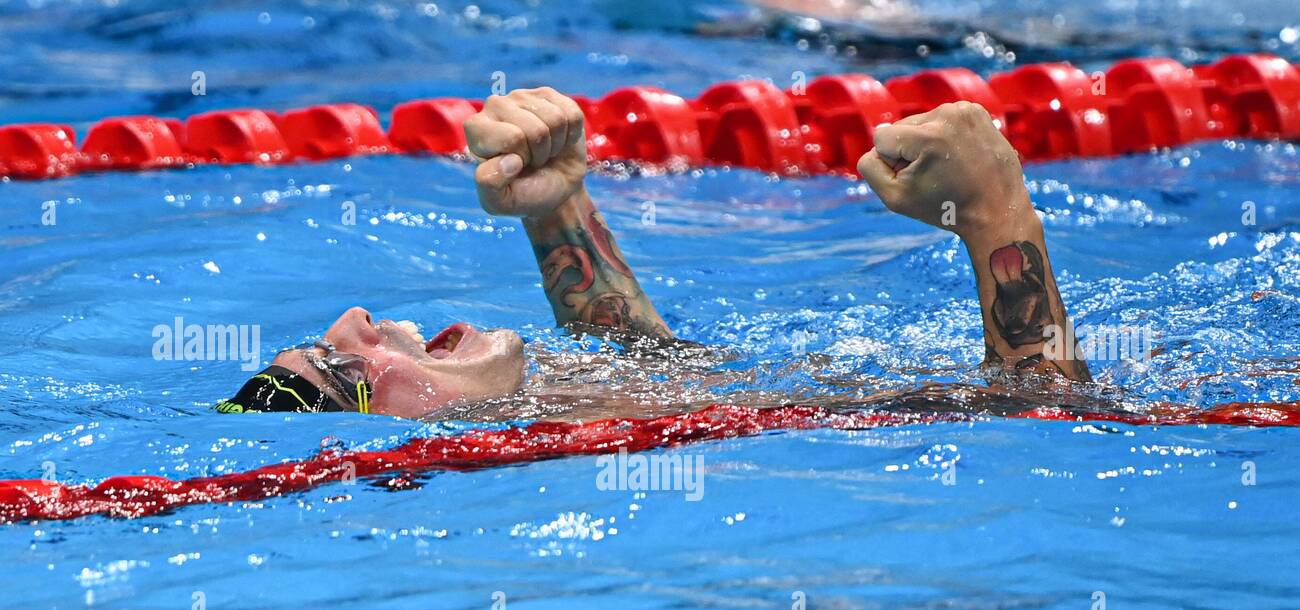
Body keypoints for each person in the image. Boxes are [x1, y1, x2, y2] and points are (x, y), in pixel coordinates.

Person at [216, 86, 1090, 419]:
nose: (355, 319)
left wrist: (558, 209)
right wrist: (996, 214)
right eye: (346, 372)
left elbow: (643, 363)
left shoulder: (554, 418)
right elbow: (1042, 413)